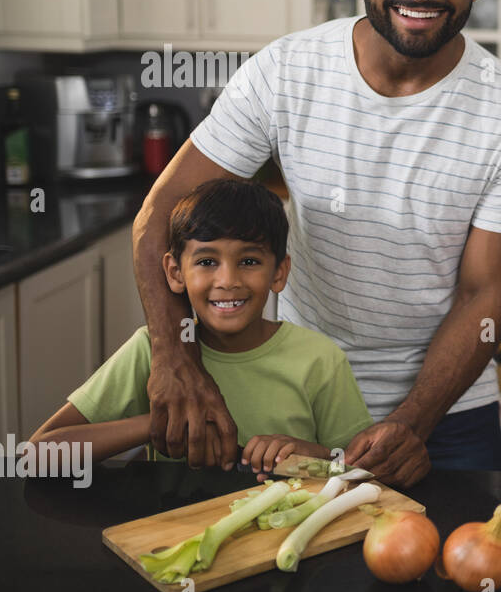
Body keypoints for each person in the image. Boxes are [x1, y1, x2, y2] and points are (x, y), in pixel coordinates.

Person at [132, 0, 501, 487]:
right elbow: (160, 214)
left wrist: (414, 419)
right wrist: (174, 356)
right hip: (294, 392)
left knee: (457, 571)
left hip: (448, 412)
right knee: (293, 575)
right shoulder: (285, 72)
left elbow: (484, 297)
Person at [31, 179, 372, 470]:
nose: (227, 280)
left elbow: (358, 466)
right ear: (175, 272)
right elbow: (36, 456)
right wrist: (156, 423)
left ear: (279, 272)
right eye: (207, 261)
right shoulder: (150, 350)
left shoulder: (320, 360)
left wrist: (313, 456)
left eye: (249, 261)